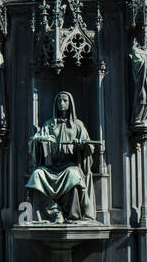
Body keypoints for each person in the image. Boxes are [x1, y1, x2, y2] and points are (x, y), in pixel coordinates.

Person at [26, 91, 96, 223]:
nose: (62, 103)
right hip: (52, 166)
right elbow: (33, 140)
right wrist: (42, 138)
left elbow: (89, 147)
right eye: (59, 101)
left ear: (70, 104)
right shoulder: (49, 124)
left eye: (65, 101)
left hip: (70, 165)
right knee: (37, 174)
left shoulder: (78, 125)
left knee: (74, 175)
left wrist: (81, 145)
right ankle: (53, 211)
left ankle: (72, 215)